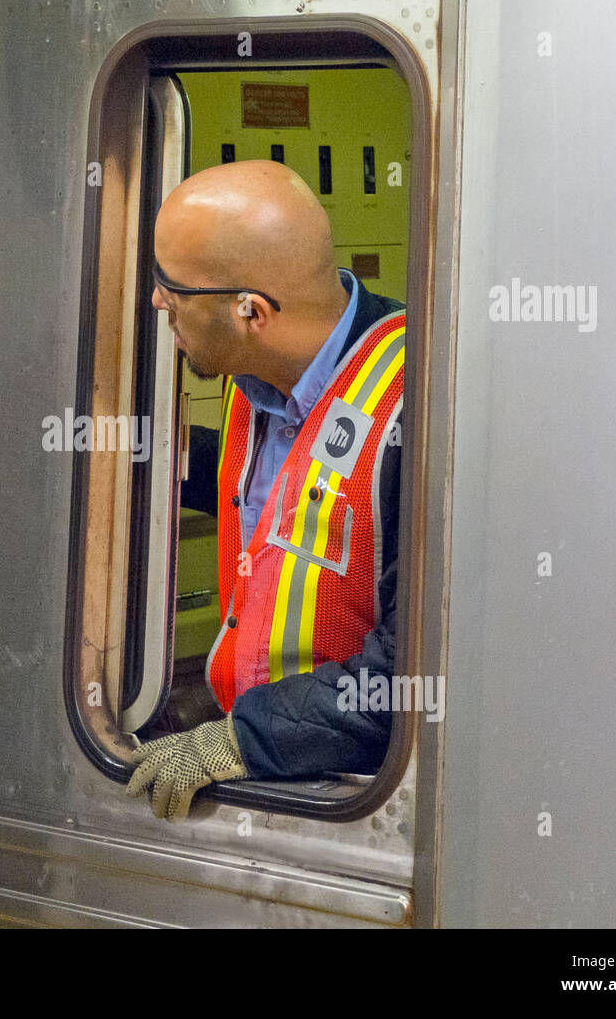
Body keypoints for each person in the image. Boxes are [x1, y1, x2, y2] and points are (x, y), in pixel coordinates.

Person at [126, 159, 405, 821]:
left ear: (250, 310)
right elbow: (294, 494)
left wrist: (242, 740)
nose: (157, 300)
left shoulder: (415, 408)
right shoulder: (259, 376)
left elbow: (407, 680)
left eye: (172, 285)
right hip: (268, 771)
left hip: (343, 798)